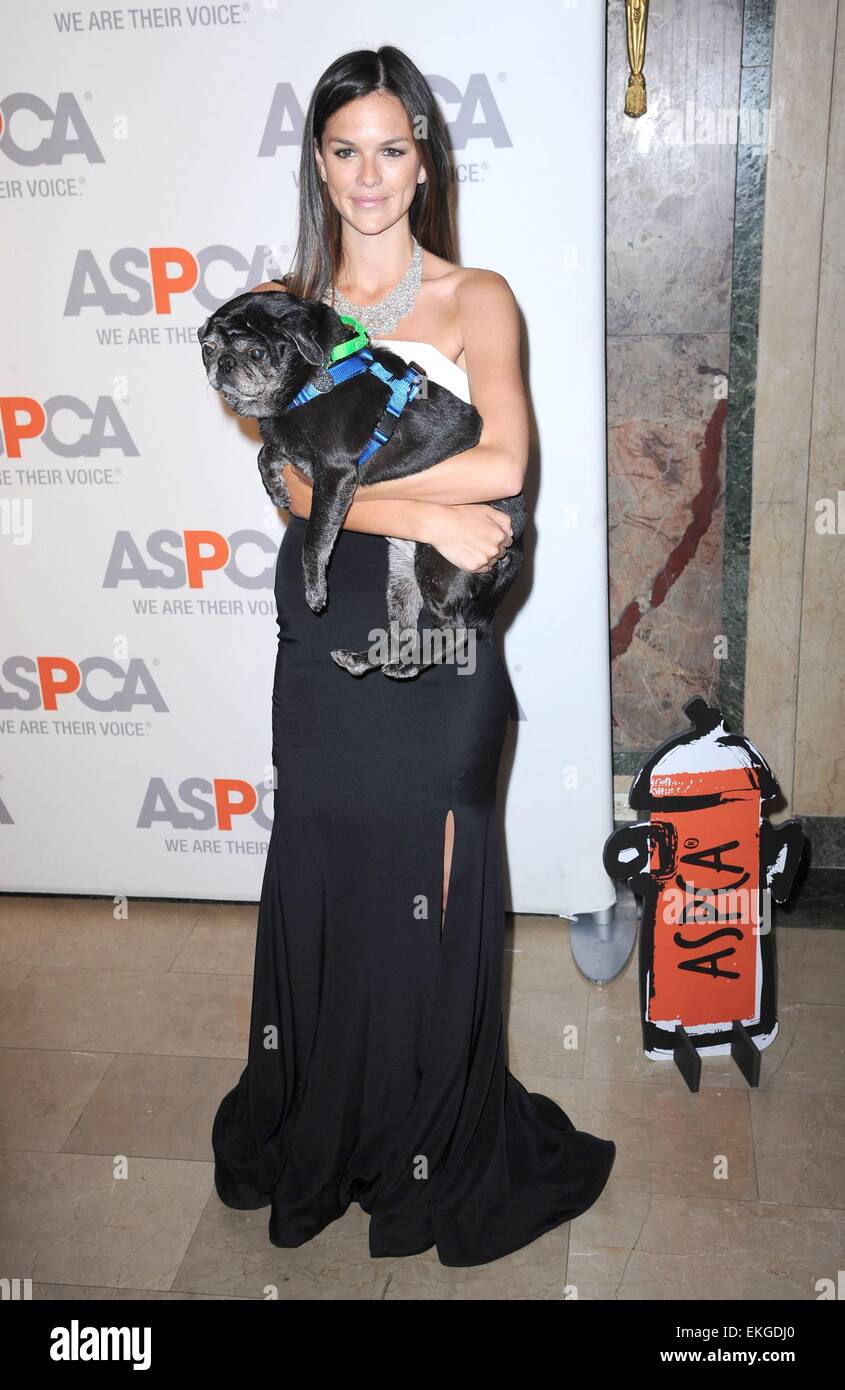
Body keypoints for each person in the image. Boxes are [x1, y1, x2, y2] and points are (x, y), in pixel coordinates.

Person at [212, 44, 616, 1268]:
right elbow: (284, 477)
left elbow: (501, 467)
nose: (368, 174)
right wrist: (418, 511)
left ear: (423, 159)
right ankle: (324, 1122)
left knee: (434, 890)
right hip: (329, 626)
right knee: (325, 869)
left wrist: (412, 509)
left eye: (392, 147)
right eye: (344, 149)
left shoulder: (474, 294)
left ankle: (432, 1138)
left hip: (436, 642)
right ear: (318, 161)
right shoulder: (284, 304)